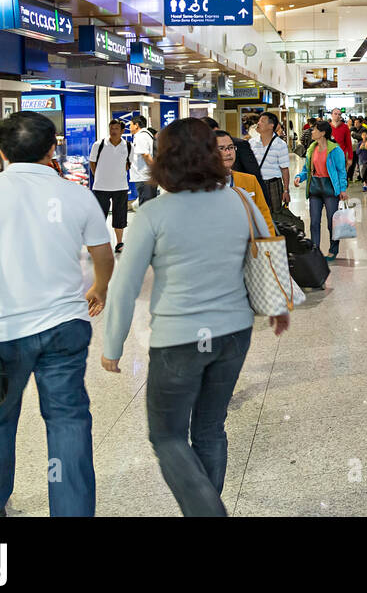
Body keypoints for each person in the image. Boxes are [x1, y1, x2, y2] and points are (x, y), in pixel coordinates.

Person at [102, 119, 285, 517]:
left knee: (167, 434)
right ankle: (208, 503)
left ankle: (205, 511)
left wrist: (112, 345)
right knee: (209, 425)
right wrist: (277, 307)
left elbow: (124, 286)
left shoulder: (154, 214)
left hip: (178, 339)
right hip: (234, 333)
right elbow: (266, 251)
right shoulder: (240, 200)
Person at [0, 111, 114, 516]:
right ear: (53, 148)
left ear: (0, 151)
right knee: (67, 418)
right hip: (65, 326)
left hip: (0, 329)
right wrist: (99, 288)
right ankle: (71, 509)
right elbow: (102, 253)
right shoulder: (76, 195)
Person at [293, 119, 348, 260]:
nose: (312, 131)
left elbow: (341, 171)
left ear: (323, 133)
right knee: (314, 222)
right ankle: (315, 250)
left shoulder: (335, 150)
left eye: (315, 129)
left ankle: (333, 249)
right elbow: (307, 169)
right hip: (315, 189)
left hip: (330, 189)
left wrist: (343, 189)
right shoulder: (312, 148)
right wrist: (300, 177)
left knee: (332, 222)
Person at [214, 130, 274, 230]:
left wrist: (268, 242)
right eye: (221, 148)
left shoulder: (250, 180)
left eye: (231, 147)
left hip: (250, 241)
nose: (228, 153)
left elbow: (264, 217)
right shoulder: (203, 186)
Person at [89, 120, 131, 253]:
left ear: (122, 131)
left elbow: (128, 164)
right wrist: (99, 176)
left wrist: (118, 175)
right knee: (99, 216)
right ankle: (97, 243)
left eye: (116, 128)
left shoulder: (128, 146)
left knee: (120, 216)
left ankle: (119, 243)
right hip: (101, 187)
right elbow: (92, 162)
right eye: (111, 128)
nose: (113, 131)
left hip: (121, 187)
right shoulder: (99, 144)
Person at [249, 111, 292, 208]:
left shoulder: (280, 145)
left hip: (273, 185)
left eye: (262, 121)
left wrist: (286, 190)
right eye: (258, 121)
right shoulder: (251, 143)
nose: (258, 123)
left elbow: (284, 169)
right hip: (256, 184)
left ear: (271, 126)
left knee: (274, 215)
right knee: (256, 213)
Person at [128, 115, 158, 204]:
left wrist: (155, 171)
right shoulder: (147, 134)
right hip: (146, 177)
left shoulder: (140, 136)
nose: (129, 127)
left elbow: (145, 155)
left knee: (146, 206)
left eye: (130, 125)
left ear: (136, 125)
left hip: (144, 178)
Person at [329, 108, 354, 180]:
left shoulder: (345, 127)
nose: (337, 116)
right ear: (331, 115)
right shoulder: (328, 127)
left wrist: (350, 158)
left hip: (342, 156)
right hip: (330, 156)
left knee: (341, 178)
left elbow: (349, 144)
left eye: (339, 114)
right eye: (335, 114)